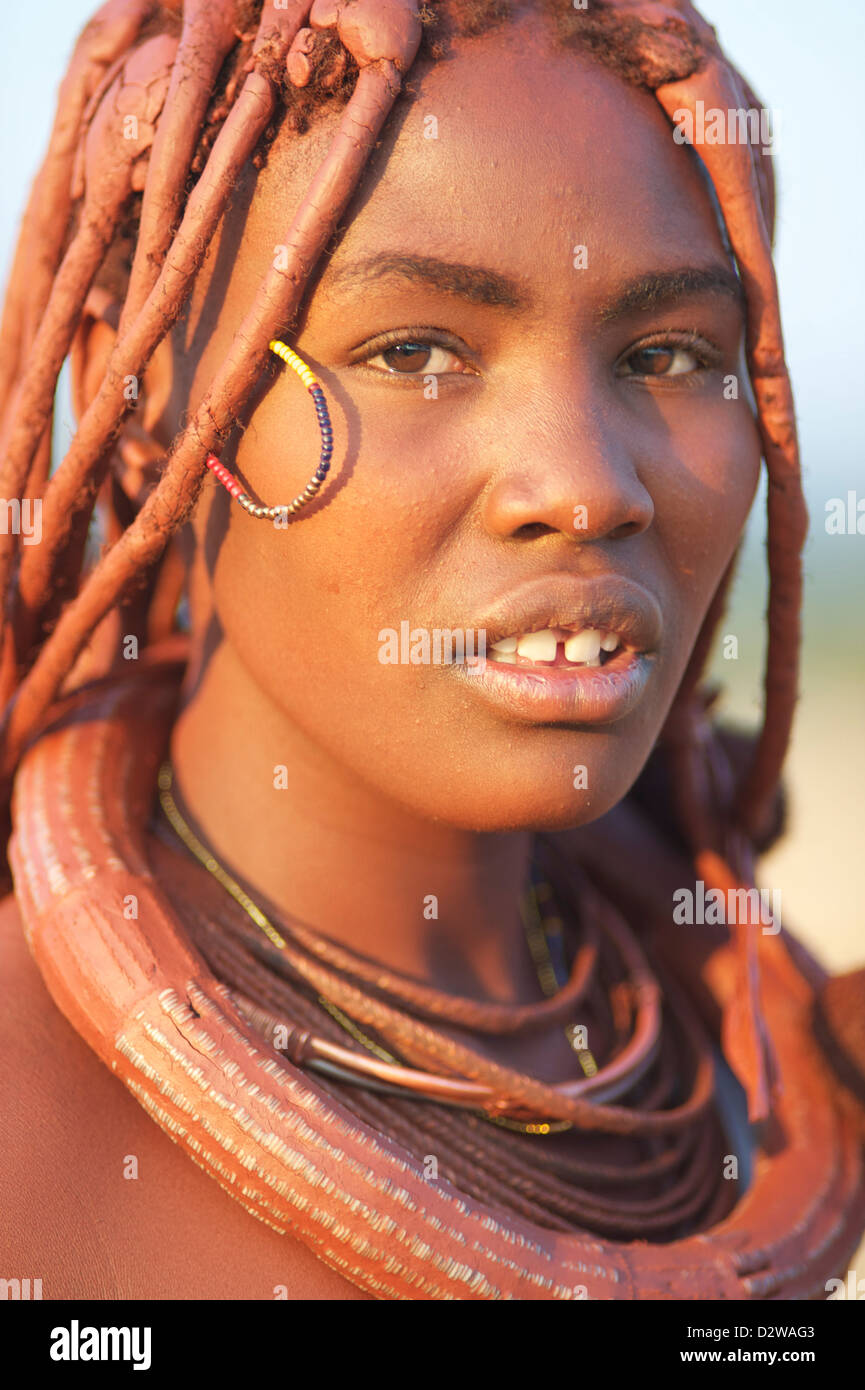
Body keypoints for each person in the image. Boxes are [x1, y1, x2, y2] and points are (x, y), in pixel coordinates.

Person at [1, 0, 863, 1301]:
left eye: (668, 353)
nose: (583, 488)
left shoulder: (762, 1061)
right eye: (413, 350)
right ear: (142, 405)